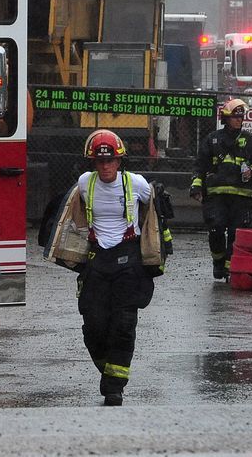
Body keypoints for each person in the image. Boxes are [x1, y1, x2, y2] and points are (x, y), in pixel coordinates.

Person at [45, 129, 164, 406]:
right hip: (97, 261)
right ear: (93, 164)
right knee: (94, 326)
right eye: (100, 162)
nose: (106, 166)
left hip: (128, 260)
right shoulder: (85, 183)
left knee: (123, 324)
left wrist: (155, 253)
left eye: (111, 161)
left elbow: (154, 214)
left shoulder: (137, 184)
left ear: (120, 161)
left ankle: (114, 387)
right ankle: (108, 368)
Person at [190, 98, 252, 280]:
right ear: (226, 118)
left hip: (242, 197)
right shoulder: (213, 139)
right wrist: (196, 187)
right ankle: (218, 263)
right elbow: (200, 165)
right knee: (216, 229)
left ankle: (230, 267)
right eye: (235, 117)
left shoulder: (249, 141)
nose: (239, 120)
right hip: (216, 196)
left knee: (237, 233)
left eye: (241, 117)